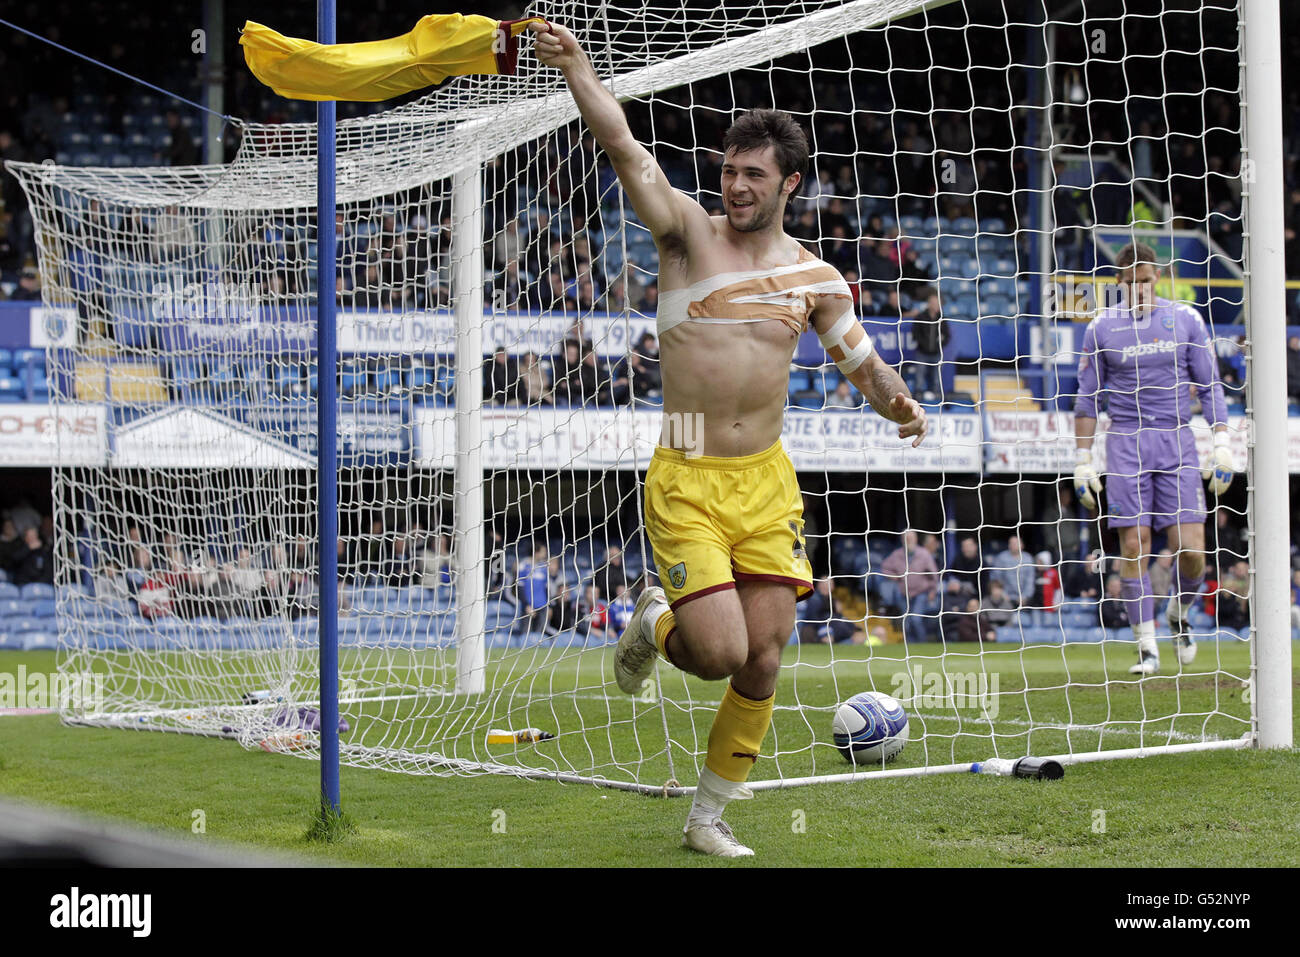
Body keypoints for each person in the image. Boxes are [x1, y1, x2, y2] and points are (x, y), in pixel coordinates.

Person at [533, 21, 927, 858]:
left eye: (753, 174)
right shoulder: (685, 233)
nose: (736, 184)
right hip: (686, 469)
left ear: (791, 183)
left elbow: (862, 361)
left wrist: (900, 406)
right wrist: (580, 70)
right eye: (729, 170)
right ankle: (654, 621)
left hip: (766, 481)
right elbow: (626, 148)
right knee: (716, 653)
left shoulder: (816, 276)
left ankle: (707, 816)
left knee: (765, 658)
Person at [1073, 241, 1234, 674]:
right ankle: (1146, 646)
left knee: (1191, 549)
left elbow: (1211, 384)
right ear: (1120, 284)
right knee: (1133, 544)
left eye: (1146, 281)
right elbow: (1086, 399)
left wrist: (1221, 441)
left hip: (1177, 440)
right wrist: (1083, 460)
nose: (1140, 289)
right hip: (1125, 443)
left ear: (1157, 278)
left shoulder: (1185, 319)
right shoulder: (1101, 328)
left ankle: (1180, 614)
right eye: (1132, 283)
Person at [879, 530, 940, 643]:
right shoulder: (897, 554)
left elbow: (934, 575)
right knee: (906, 621)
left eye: (910, 538)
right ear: (902, 540)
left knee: (916, 619)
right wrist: (894, 577)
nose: (908, 540)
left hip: (921, 592)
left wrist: (933, 590)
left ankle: (922, 644)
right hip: (904, 593)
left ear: (916, 539)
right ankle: (910, 646)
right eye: (906, 538)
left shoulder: (924, 554)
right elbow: (884, 567)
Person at [798, 578, 865, 644]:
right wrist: (824, 633)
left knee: (860, 638)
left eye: (830, 584)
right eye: (825, 584)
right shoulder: (815, 599)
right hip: (825, 636)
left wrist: (856, 630)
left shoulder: (832, 601)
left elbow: (841, 618)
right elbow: (814, 620)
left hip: (843, 636)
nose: (827, 586)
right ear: (819, 585)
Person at [988, 535, 1035, 608]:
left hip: (1025, 600)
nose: (1013, 545)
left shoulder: (1028, 558)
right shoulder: (1001, 557)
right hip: (1005, 598)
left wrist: (1025, 596)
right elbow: (995, 578)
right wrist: (1003, 594)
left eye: (1016, 543)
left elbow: (1030, 580)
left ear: (1022, 545)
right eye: (1011, 543)